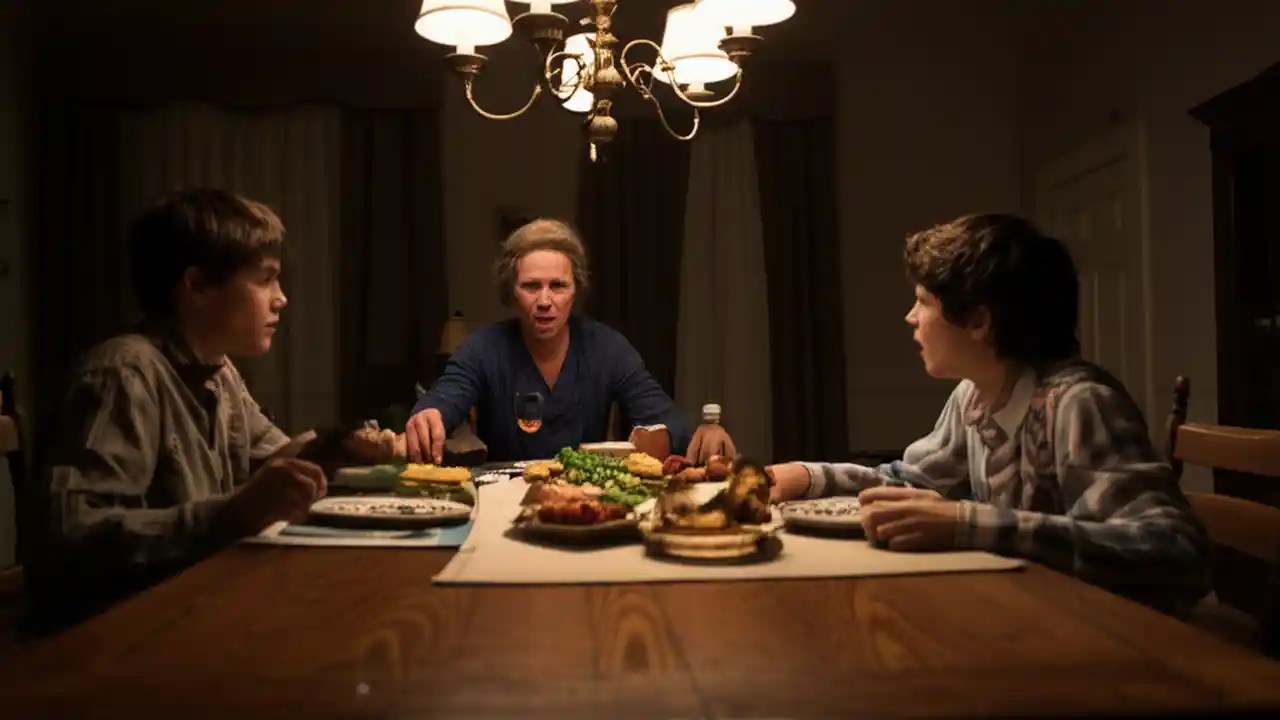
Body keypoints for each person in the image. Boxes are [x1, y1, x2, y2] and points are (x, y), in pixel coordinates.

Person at [768, 213, 1208, 612]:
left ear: (979, 322)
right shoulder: (974, 396)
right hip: (1036, 618)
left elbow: (1174, 553)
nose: (910, 317)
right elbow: (910, 482)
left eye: (923, 301)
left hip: (1116, 647)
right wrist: (806, 477)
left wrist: (966, 523)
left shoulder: (1078, 403)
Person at [38, 188, 391, 618]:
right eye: (265, 279)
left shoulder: (218, 371)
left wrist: (341, 445)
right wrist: (228, 516)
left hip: (197, 603)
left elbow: (273, 459)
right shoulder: (124, 375)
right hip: (122, 633)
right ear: (199, 285)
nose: (281, 298)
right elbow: (71, 539)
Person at [406, 218, 734, 464]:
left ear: (575, 290)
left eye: (558, 286)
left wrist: (701, 433)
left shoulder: (607, 348)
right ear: (511, 293)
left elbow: (662, 418)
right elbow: (444, 400)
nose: (545, 300)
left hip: (585, 500)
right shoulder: (483, 348)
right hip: (502, 505)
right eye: (531, 287)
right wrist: (429, 415)